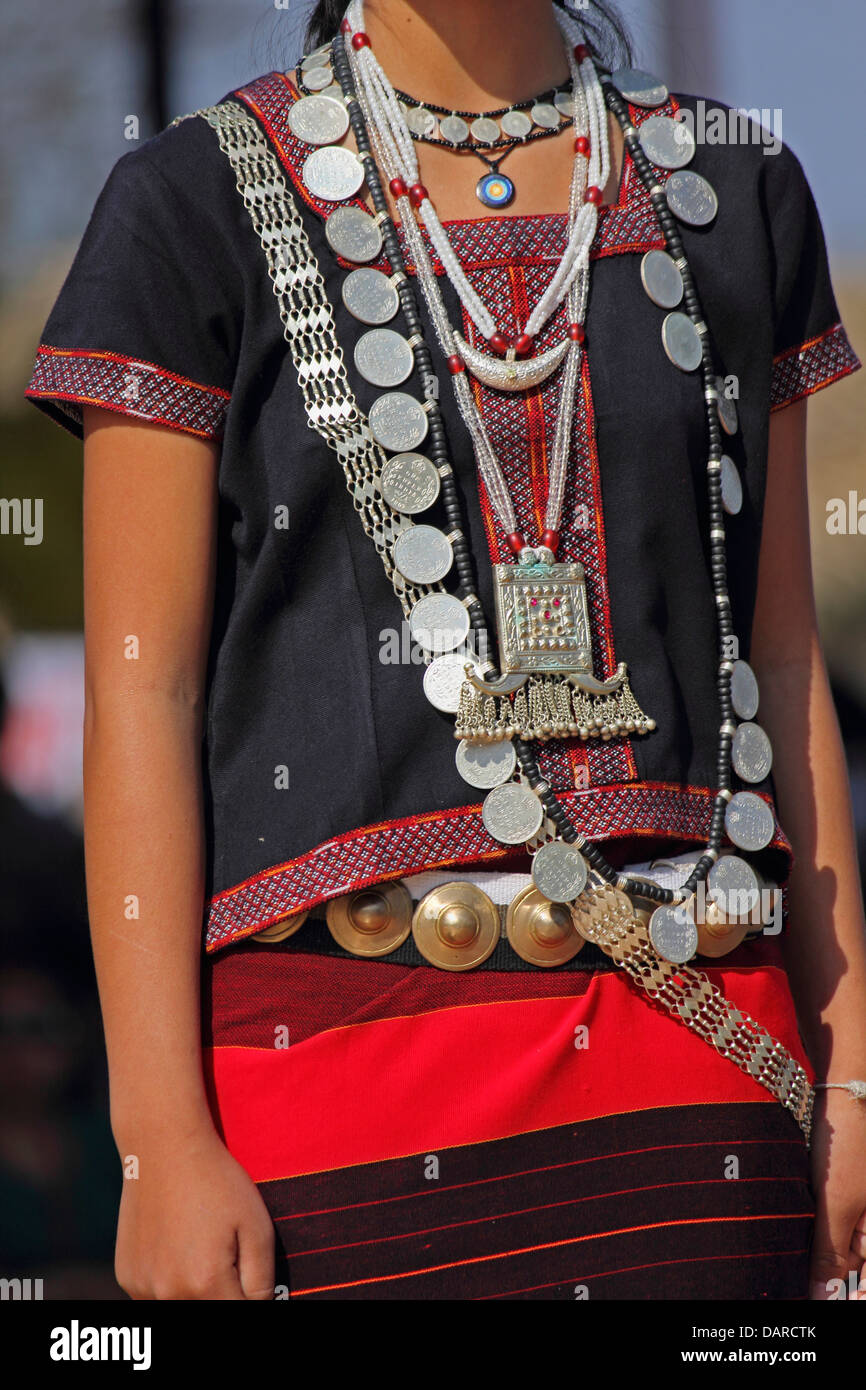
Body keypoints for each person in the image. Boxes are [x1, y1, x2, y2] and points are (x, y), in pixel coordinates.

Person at [25, 0, 866, 1301]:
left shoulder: (730, 184)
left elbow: (780, 652)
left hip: (696, 1092)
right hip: (330, 1095)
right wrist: (157, 1139)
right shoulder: (190, 204)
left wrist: (853, 1066)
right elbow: (142, 687)